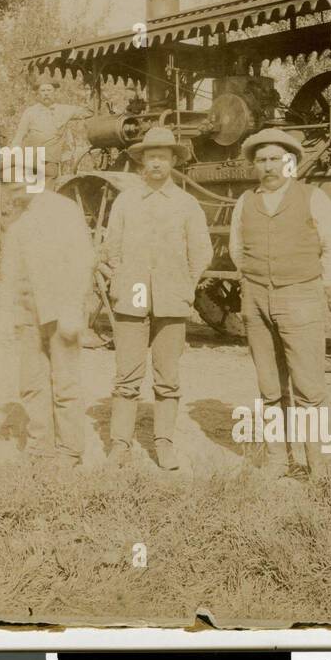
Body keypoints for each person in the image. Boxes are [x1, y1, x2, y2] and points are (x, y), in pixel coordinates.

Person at [228, 128, 331, 480]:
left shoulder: (312, 198)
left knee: (309, 388)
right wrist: (254, 279)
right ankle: (279, 461)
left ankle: (318, 467)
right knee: (269, 387)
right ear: (254, 165)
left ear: (290, 162)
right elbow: (238, 250)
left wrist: (316, 285)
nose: (268, 166)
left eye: (275, 159)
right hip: (255, 299)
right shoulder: (244, 203)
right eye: (261, 160)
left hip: (300, 296)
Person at [98, 127, 211, 470]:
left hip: (172, 301)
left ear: (174, 160)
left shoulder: (187, 204)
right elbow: (111, 248)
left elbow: (201, 254)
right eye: (151, 156)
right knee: (127, 376)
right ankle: (120, 444)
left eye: (163, 156)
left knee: (168, 377)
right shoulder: (127, 200)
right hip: (132, 297)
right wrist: (123, 277)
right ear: (142, 161)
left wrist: (183, 286)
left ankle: (164, 443)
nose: (157, 162)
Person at [0, 183, 94, 464]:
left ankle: (70, 450)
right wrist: (4, 313)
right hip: (28, 313)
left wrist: (73, 308)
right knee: (32, 382)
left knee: (65, 382)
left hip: (61, 310)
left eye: (21, 176)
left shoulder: (63, 210)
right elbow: (9, 269)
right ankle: (40, 446)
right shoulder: (15, 217)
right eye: (7, 181)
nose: (14, 186)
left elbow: (84, 259)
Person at [12, 78, 91, 176]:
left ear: (55, 92)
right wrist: (12, 151)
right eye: (43, 90)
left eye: (49, 90)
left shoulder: (64, 110)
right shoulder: (30, 112)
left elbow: (88, 112)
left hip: (50, 159)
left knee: (48, 187)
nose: (46, 93)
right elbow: (20, 134)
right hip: (30, 158)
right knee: (28, 187)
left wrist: (88, 93)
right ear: (38, 93)